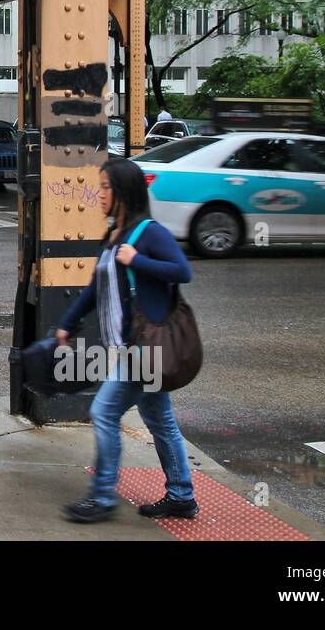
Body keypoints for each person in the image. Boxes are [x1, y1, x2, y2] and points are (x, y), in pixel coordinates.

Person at [56, 157, 196, 524]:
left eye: (105, 187)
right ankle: (181, 495)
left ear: (124, 192)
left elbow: (183, 271)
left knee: (104, 411)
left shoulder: (148, 233)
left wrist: (138, 260)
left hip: (142, 349)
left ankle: (102, 497)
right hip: (128, 347)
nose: (99, 194)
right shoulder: (114, 233)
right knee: (160, 419)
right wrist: (67, 324)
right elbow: (95, 289)